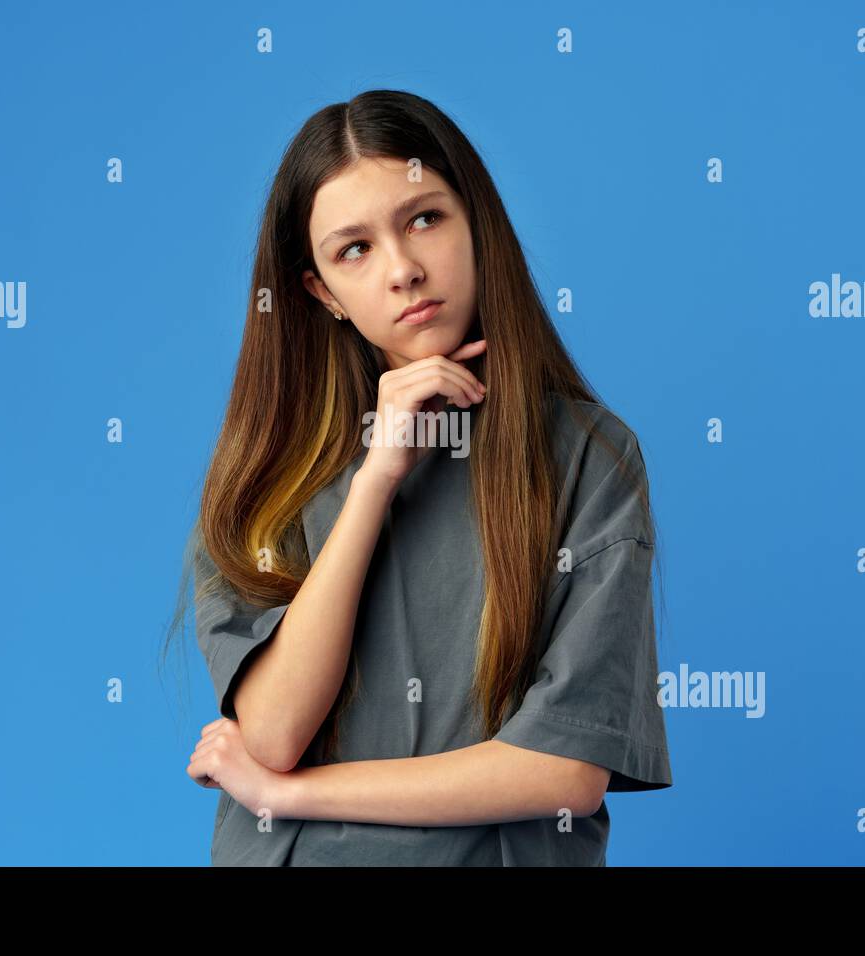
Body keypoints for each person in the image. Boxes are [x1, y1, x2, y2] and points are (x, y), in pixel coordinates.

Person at [163, 89, 672, 866]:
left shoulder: (587, 458)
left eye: (424, 218)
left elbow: (566, 770)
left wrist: (290, 794)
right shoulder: (265, 473)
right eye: (354, 249)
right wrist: (376, 479)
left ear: (477, 226)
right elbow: (271, 731)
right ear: (321, 292)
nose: (403, 270)